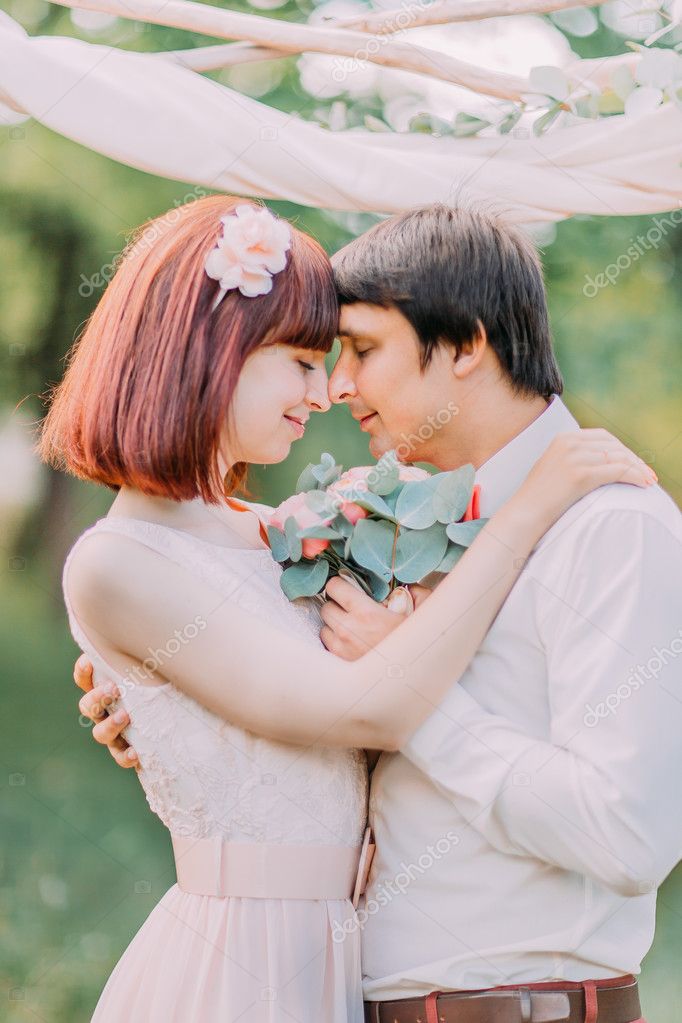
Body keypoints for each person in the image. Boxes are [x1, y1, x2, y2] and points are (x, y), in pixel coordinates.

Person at [67, 201, 662, 1023]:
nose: (334, 388)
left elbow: (627, 833)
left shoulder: (609, 525)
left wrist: (409, 695)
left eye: (360, 350)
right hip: (294, 981)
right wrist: (169, 707)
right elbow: (320, 694)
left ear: (466, 346)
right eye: (310, 359)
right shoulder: (366, 528)